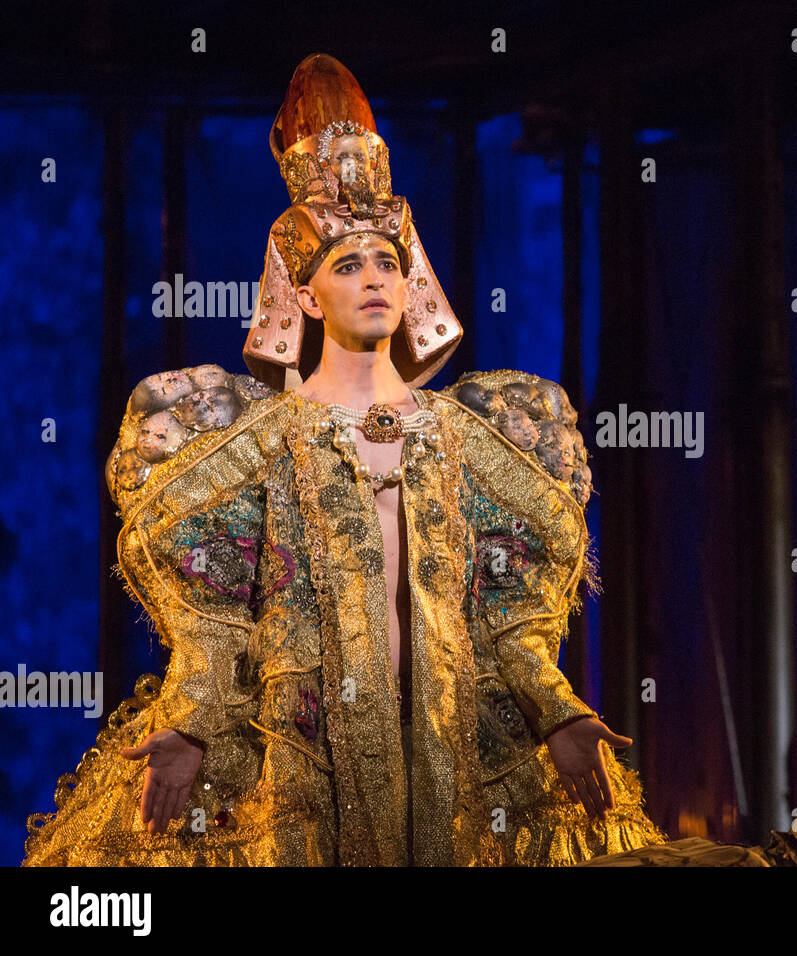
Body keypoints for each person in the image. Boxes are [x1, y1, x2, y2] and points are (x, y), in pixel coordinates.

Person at [23, 54, 664, 867]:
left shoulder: (477, 438)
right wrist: (190, 721)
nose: (375, 280)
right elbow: (221, 623)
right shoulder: (250, 446)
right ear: (303, 290)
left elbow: (507, 617)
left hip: (456, 769)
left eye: (389, 262)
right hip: (300, 773)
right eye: (348, 264)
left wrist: (559, 711)